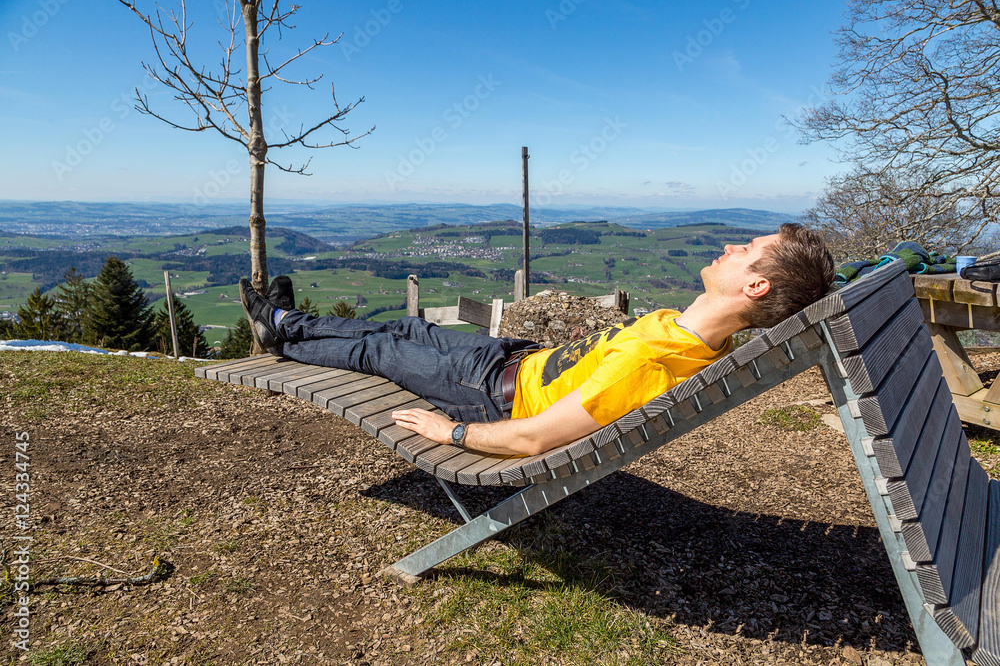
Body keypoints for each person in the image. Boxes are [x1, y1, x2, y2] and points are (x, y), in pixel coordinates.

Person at [239, 223, 834, 457]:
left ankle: (282, 331)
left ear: (755, 284)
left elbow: (535, 438)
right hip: (511, 360)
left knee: (382, 349)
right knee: (408, 326)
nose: (732, 246)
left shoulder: (654, 360)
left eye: (747, 250)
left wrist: (453, 432)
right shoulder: (696, 336)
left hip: (490, 396)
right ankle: (292, 323)